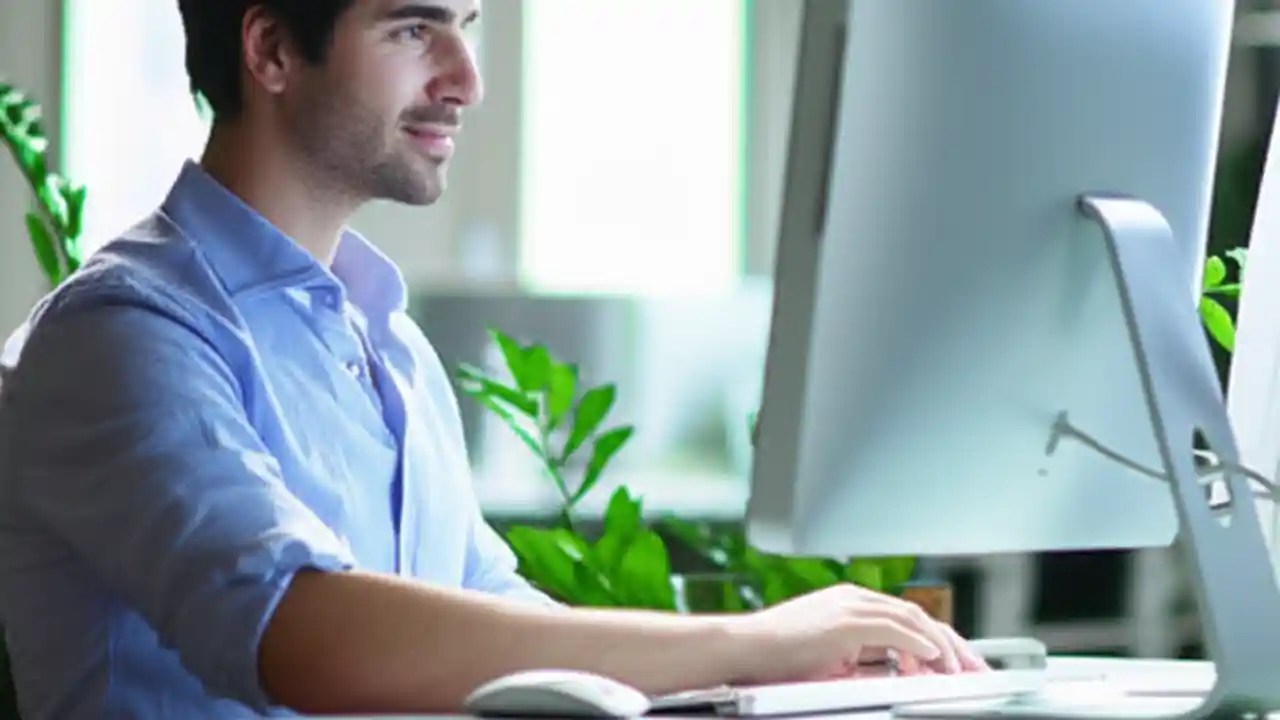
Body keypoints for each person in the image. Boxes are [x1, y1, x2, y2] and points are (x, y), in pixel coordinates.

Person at [0, 0, 987, 717]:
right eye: (413, 28)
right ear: (269, 49)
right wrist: (748, 640)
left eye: (467, 27)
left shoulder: (388, 344)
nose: (465, 78)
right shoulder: (126, 334)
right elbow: (298, 635)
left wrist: (773, 679)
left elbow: (492, 619)